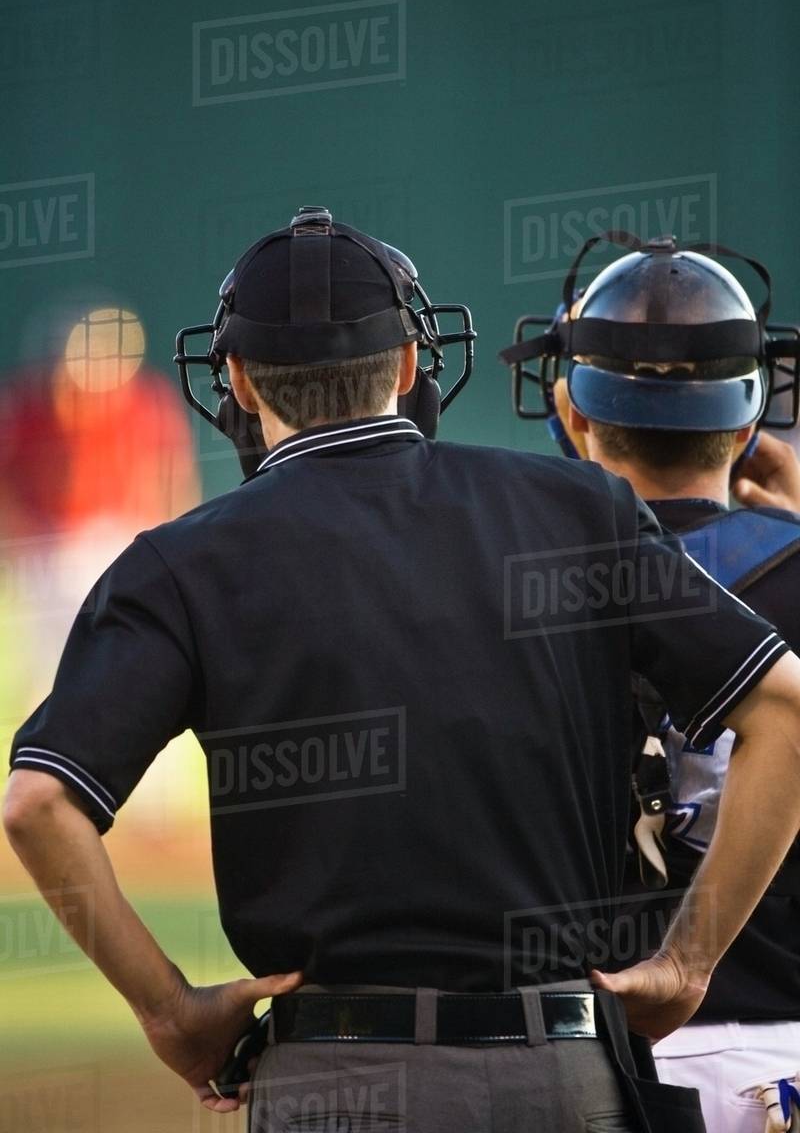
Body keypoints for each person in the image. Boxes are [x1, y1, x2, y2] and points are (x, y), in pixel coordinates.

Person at [6, 209, 800, 1133]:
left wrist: (170, 1011)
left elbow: (39, 804)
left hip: (330, 1080)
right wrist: (689, 962)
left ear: (234, 378)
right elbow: (782, 710)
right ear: (412, 366)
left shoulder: (181, 563)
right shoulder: (577, 508)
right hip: (562, 1073)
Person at [501, 228, 800, 1133]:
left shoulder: (500, 586)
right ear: (750, 423)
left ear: (573, 411)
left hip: (569, 1059)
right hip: (780, 1058)